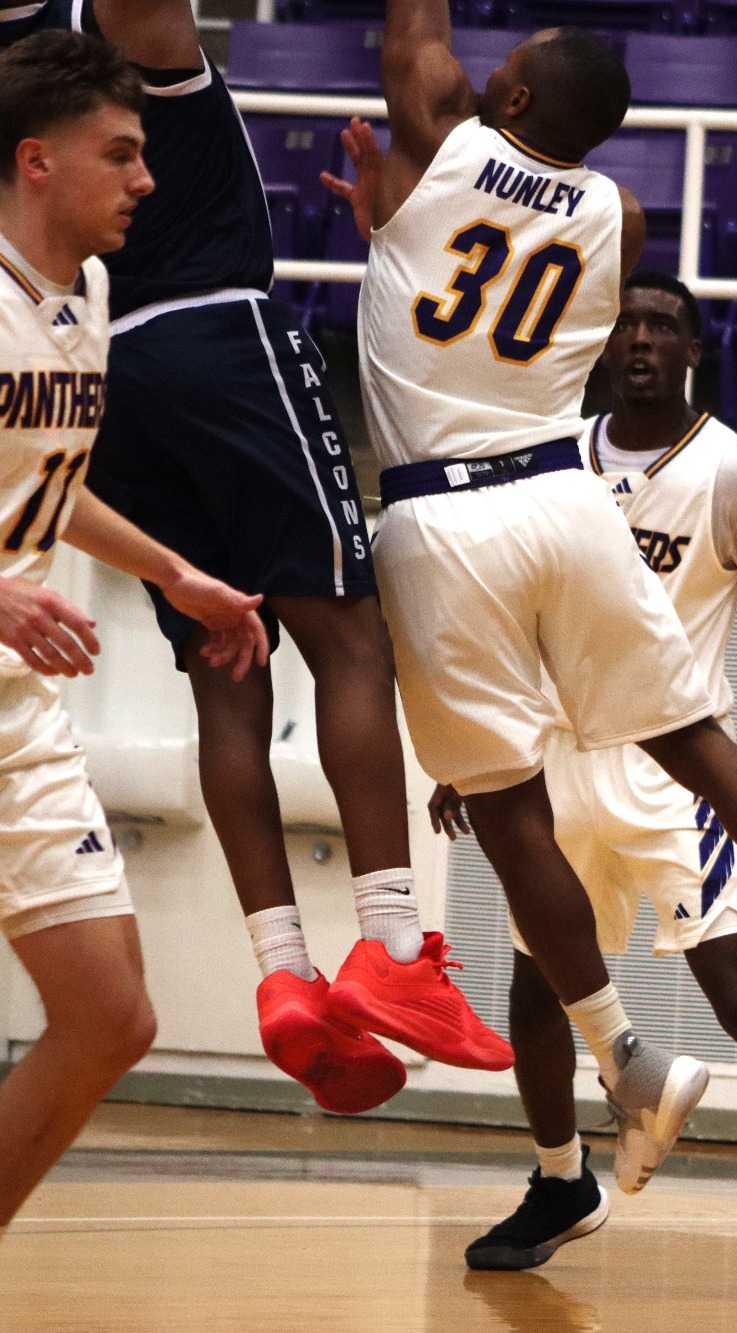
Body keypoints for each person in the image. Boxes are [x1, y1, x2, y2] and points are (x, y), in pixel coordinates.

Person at [354, 2, 737, 1303]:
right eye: (628, 326)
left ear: (693, 347)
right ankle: (561, 1171)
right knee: (534, 983)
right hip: (552, 602)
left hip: (557, 656)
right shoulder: (609, 223)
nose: (639, 339)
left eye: (661, 328)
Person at [0, 0, 511, 1113]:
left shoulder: (29, 100)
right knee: (349, 639)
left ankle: (285, 973)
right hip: (219, 336)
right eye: (123, 155)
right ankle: (393, 944)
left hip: (106, 372)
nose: (138, 173)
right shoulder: (117, 53)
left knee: (226, 667)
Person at [0, 28, 272, 1229]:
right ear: (37, 161)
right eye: (119, 153)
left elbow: (46, 480)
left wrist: (178, 573)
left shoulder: (92, 294)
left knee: (111, 1017)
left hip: (17, 710)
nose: (146, 179)